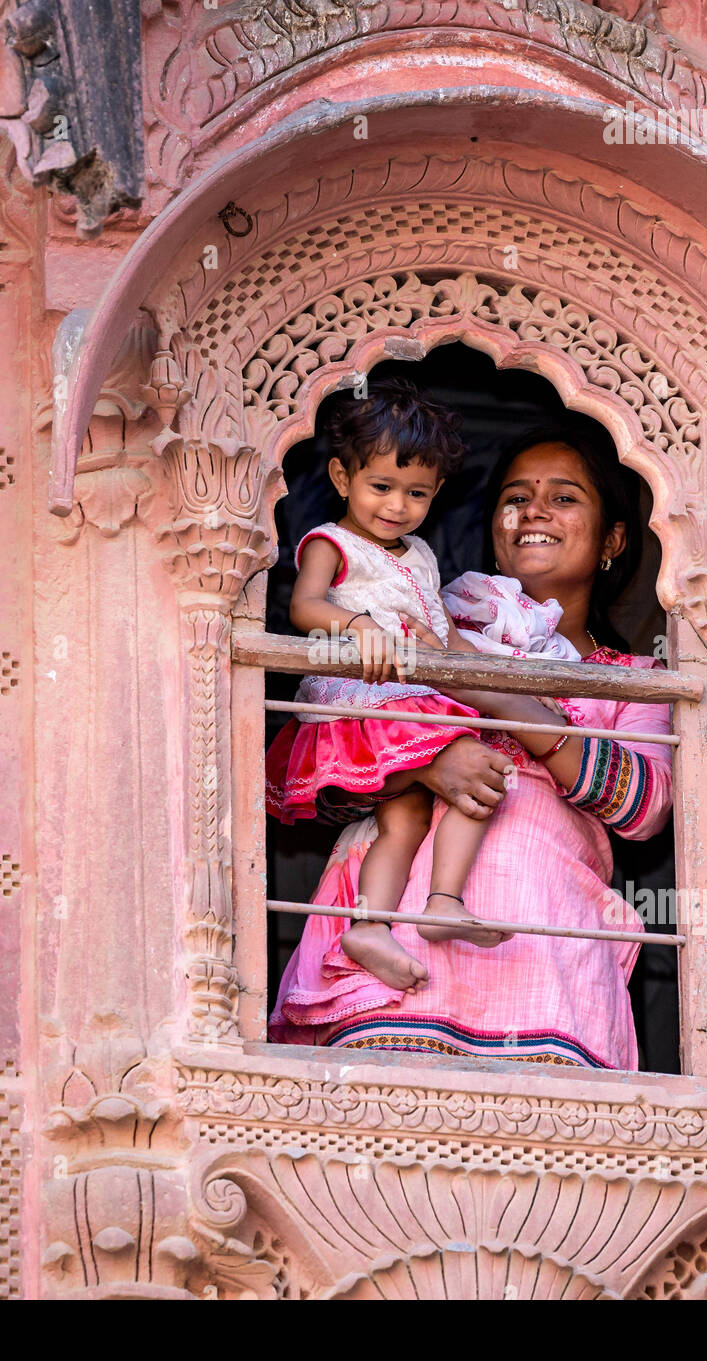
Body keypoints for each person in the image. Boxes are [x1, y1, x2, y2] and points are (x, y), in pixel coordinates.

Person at [269, 419, 675, 1071]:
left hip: (545, 963)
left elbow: (643, 807)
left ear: (613, 540)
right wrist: (426, 762)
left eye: (564, 497)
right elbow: (332, 784)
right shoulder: (421, 628)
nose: (533, 510)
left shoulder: (632, 678)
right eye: (515, 497)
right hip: (395, 967)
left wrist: (486, 687)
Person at [266, 380, 501, 995]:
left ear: (438, 494)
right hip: (360, 699)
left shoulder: (421, 551)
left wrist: (447, 646)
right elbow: (304, 608)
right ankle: (411, 909)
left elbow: (438, 626)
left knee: (417, 814)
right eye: (381, 487)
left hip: (413, 694)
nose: (397, 505)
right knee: (472, 768)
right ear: (342, 477)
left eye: (416, 493)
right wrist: (358, 625)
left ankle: (404, 914)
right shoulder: (330, 541)